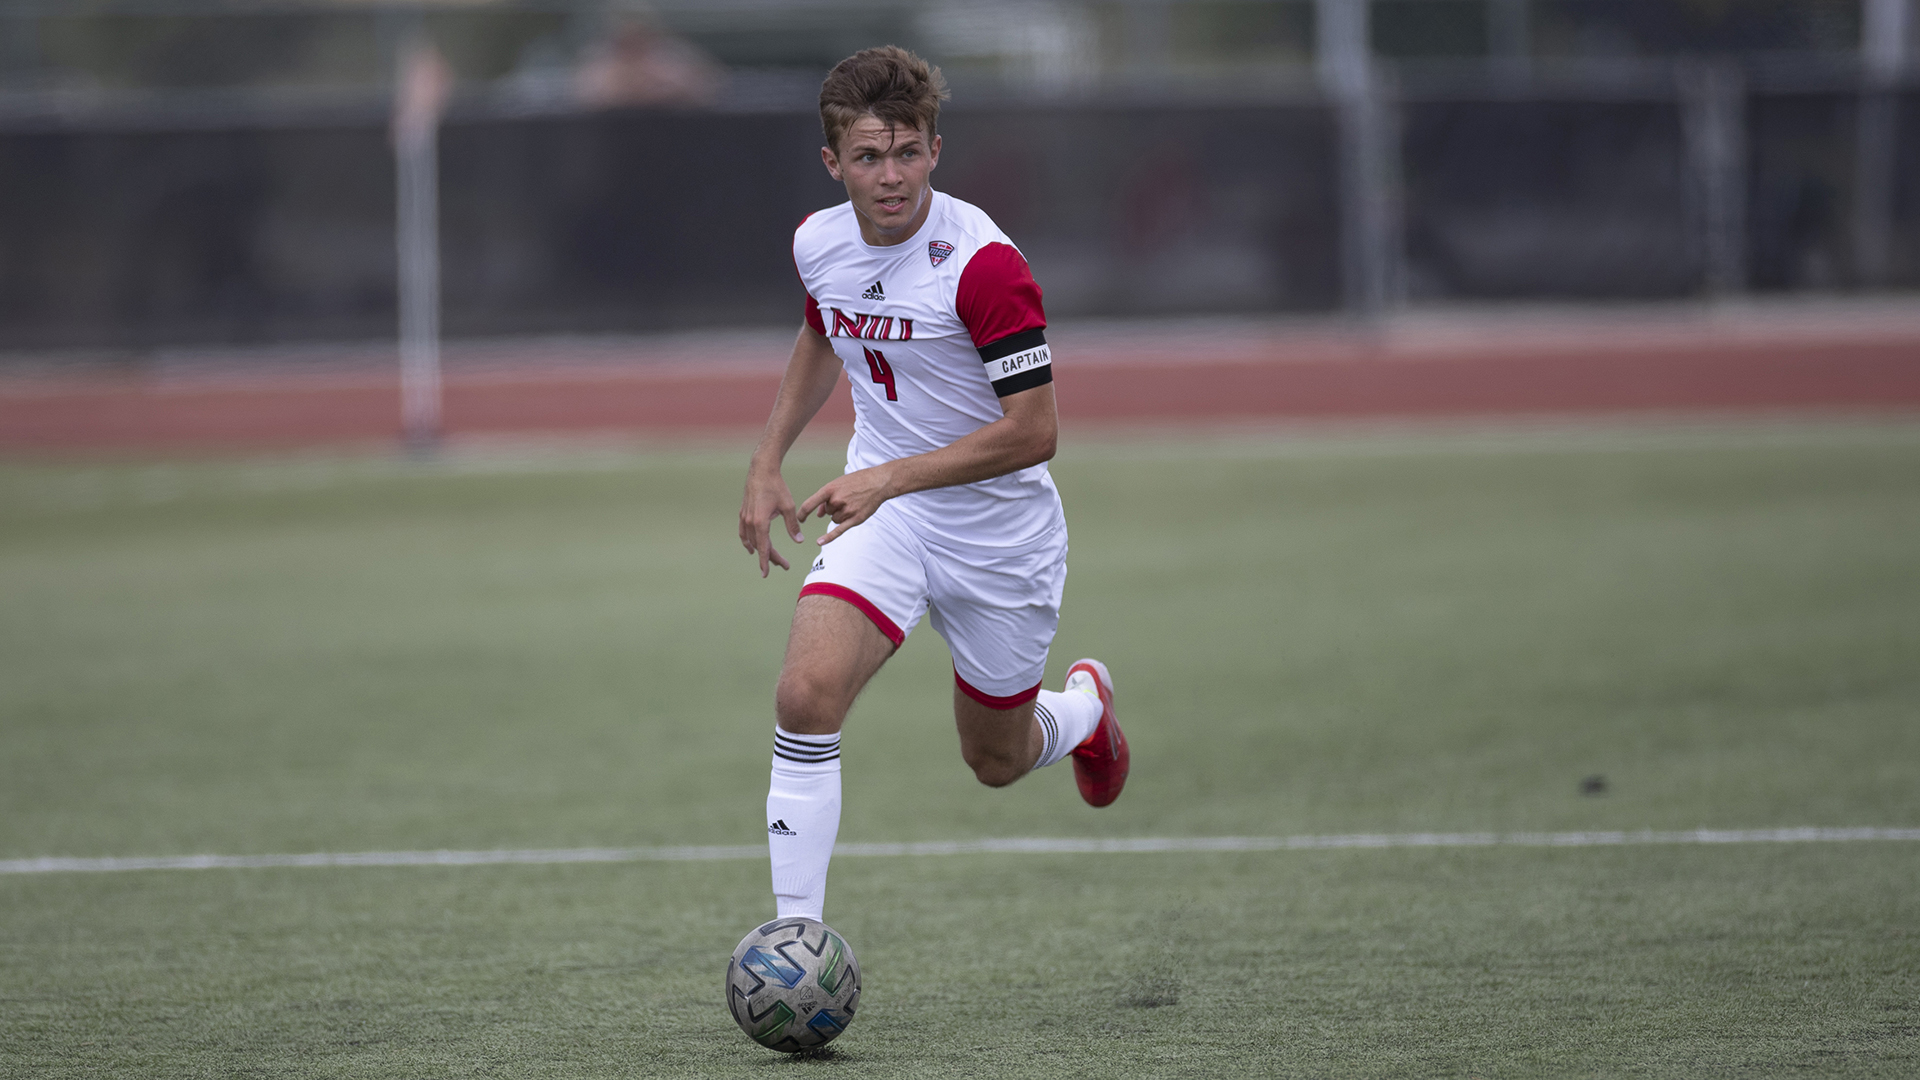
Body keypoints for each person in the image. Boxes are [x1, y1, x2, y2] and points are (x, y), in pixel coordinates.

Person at [737, 46, 1128, 923]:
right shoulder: (818, 241)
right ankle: (796, 942)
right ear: (833, 162)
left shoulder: (983, 265)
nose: (891, 177)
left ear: (936, 152)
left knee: (995, 759)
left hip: (1001, 538)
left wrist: (888, 476)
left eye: (907, 152)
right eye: (869, 158)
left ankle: (1086, 713)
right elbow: (822, 332)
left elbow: (1037, 432)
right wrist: (767, 462)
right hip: (889, 517)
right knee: (805, 696)